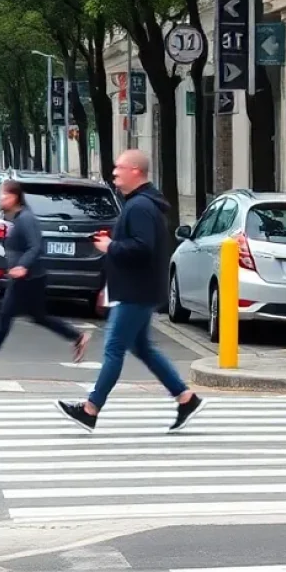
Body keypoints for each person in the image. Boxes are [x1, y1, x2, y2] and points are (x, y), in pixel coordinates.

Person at [56, 149, 204, 433]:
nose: (114, 173)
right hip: (137, 289)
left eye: (119, 168)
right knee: (142, 347)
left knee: (113, 349)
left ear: (136, 171)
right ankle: (185, 398)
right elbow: (138, 246)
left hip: (137, 291)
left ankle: (91, 409)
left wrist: (110, 246)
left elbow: (142, 248)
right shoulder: (141, 205)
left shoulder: (140, 207)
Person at [0, 179, 89, 375]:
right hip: (28, 277)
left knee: (7, 316)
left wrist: (22, 265)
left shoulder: (26, 219)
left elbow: (35, 246)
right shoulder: (17, 217)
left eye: (4, 196)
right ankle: (77, 336)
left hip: (29, 278)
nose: (1, 200)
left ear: (14, 197)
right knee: (38, 316)